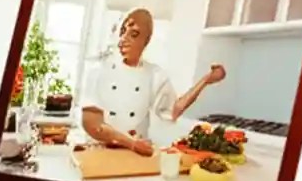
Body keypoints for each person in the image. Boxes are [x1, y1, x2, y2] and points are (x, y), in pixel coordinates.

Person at [80, 8, 226, 156]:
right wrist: (131, 143)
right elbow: (92, 124)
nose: (123, 39)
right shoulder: (99, 71)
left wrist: (206, 80)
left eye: (134, 34)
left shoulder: (155, 75)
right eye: (122, 32)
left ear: (146, 41)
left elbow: (174, 110)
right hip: (100, 153)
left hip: (137, 156)